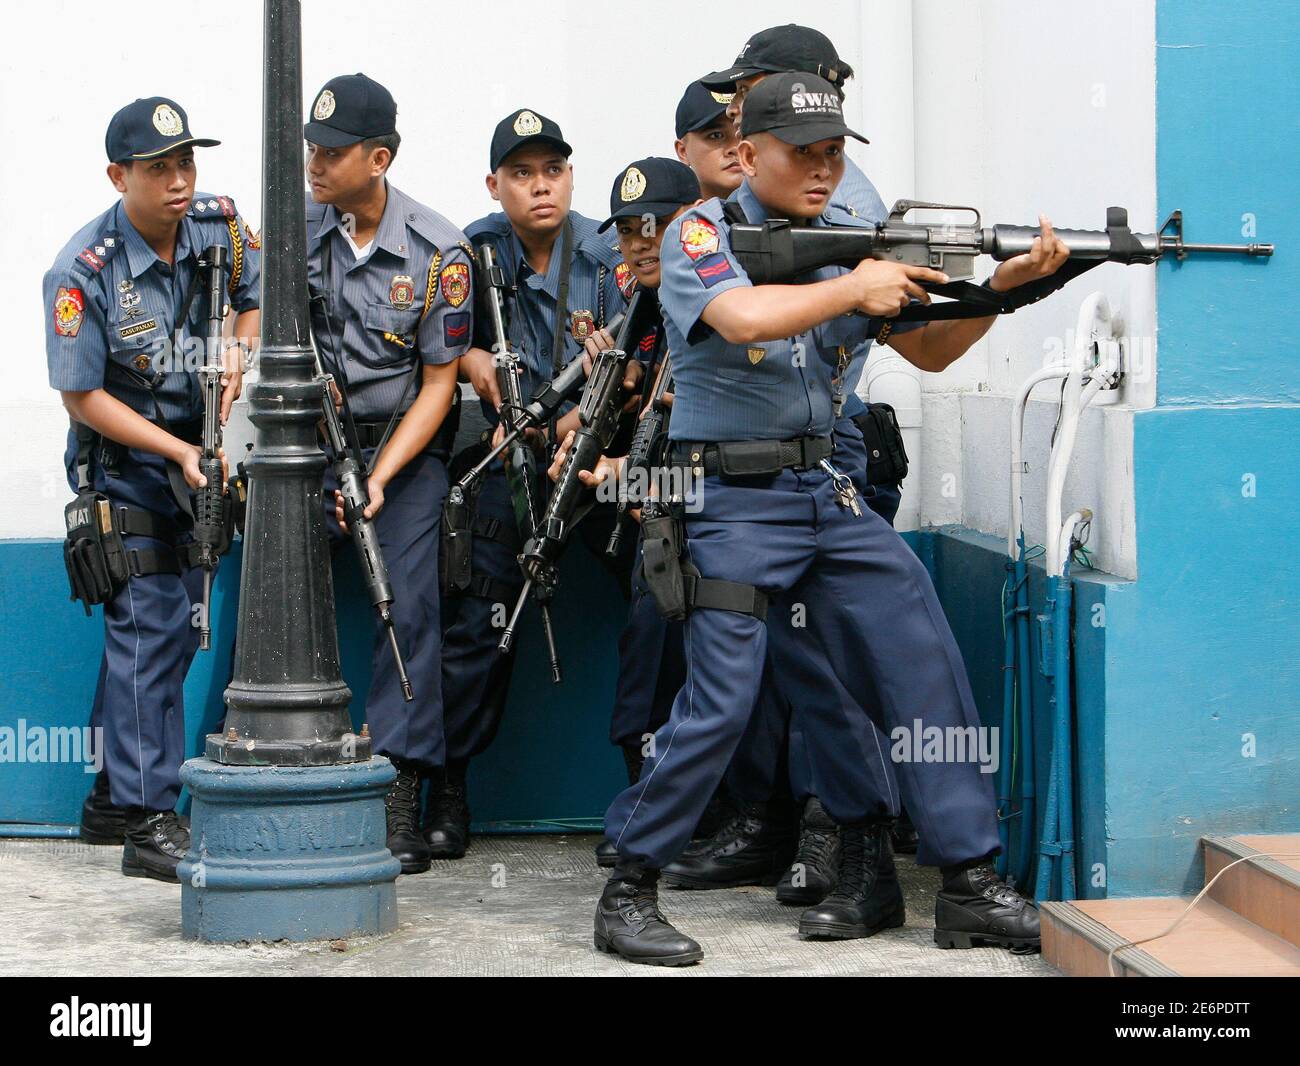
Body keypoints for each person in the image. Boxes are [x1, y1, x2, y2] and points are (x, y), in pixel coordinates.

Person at [589, 73, 1064, 965]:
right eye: (802, 153)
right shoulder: (699, 231)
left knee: (918, 662)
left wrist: (1009, 289)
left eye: (834, 153)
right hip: (730, 504)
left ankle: (964, 881)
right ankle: (630, 883)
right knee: (722, 698)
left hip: (825, 495)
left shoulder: (846, 242)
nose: (821, 168)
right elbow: (738, 315)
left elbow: (927, 347)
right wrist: (855, 287)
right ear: (747, 155)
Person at [670, 22, 923, 901]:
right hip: (734, 458)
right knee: (758, 661)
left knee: (847, 652)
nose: (732, 104)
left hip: (831, 445)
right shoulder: (722, 210)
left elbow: (911, 330)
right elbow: (725, 310)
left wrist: (1000, 292)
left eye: (752, 85)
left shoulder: (852, 208)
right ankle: (771, 820)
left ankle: (838, 837)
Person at [46, 96, 259, 881]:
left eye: (186, 164)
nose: (178, 181)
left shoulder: (217, 226)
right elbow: (80, 395)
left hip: (198, 454)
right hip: (125, 464)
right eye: (158, 168)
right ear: (118, 175)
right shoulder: (83, 269)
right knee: (148, 626)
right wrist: (175, 448)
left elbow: (252, 296)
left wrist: (239, 351)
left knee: (161, 640)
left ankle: (110, 799)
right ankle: (146, 818)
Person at [431, 109, 630, 860]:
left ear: (570, 176)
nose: (540, 187)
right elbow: (437, 349)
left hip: (596, 457)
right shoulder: (471, 255)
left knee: (662, 599)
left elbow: (641, 354)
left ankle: (665, 792)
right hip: (506, 459)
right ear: (495, 184)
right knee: (478, 615)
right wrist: (471, 358)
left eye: (553, 171)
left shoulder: (612, 252)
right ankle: (445, 786)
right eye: (521, 174)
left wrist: (589, 416)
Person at [303, 73, 469, 875]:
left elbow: (441, 385)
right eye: (311, 148)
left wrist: (377, 476)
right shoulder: (295, 230)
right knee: (277, 595)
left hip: (403, 451)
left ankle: (400, 788)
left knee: (406, 607)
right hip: (309, 448)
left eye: (333, 153)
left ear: (380, 158)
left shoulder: (440, 253)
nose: (315, 163)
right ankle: (281, 773)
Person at [589, 158, 702, 867]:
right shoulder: (644, 312)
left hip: (717, 509)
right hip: (659, 516)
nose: (638, 242)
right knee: (646, 654)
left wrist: (630, 476)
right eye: (628, 230)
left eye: (652, 226)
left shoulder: (715, 301)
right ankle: (649, 809)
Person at [672, 81, 742, 202]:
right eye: (716, 135)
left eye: (744, 132)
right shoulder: (667, 219)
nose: (736, 147)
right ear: (683, 151)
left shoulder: (784, 208)